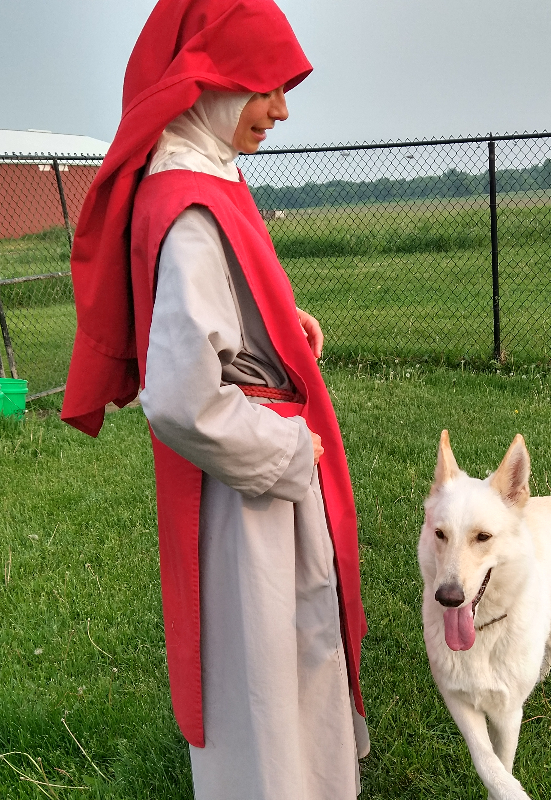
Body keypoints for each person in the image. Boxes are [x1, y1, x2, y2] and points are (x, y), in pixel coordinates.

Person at [60, 1, 369, 797]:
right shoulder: (190, 206)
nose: (282, 108)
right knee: (263, 663)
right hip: (248, 491)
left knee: (291, 644)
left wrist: (277, 325)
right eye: (267, 87)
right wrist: (288, 453)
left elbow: (217, 315)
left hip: (261, 478)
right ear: (212, 84)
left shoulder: (210, 173)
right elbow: (181, 397)